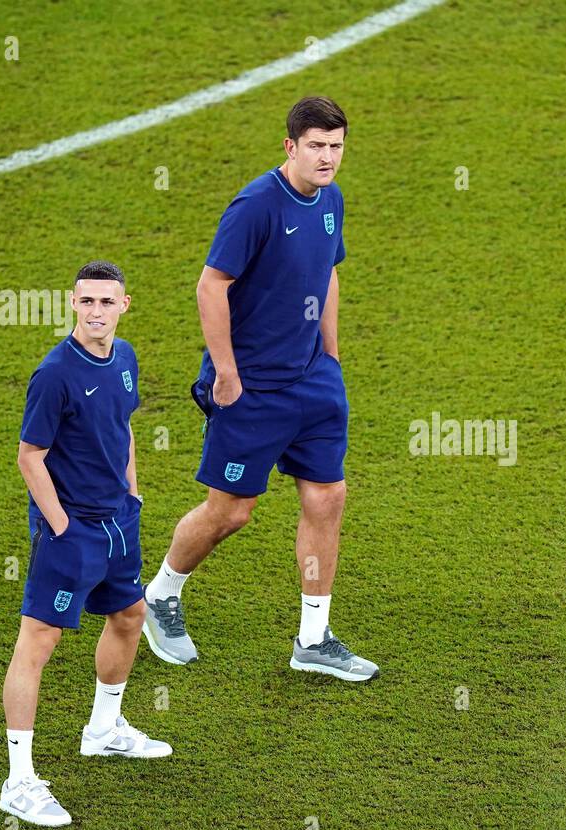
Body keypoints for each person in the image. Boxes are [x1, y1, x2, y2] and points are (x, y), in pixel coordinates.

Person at [142, 96, 377, 682]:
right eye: (317, 146)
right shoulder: (256, 206)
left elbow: (327, 272)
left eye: (337, 146)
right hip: (252, 387)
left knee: (327, 497)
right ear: (290, 146)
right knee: (231, 512)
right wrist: (225, 373)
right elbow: (210, 286)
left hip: (313, 381)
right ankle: (160, 594)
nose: (328, 157)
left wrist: (332, 354)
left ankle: (314, 639)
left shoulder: (331, 199)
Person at [1, 261, 171, 828]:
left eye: (107, 302)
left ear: (125, 305)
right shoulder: (54, 374)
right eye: (86, 302)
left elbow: (123, 428)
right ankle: (19, 780)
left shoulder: (124, 358)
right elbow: (30, 456)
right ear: (73, 304)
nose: (96, 312)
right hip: (71, 527)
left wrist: (133, 494)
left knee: (130, 613)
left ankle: (103, 731)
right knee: (39, 639)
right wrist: (62, 526)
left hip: (119, 521)